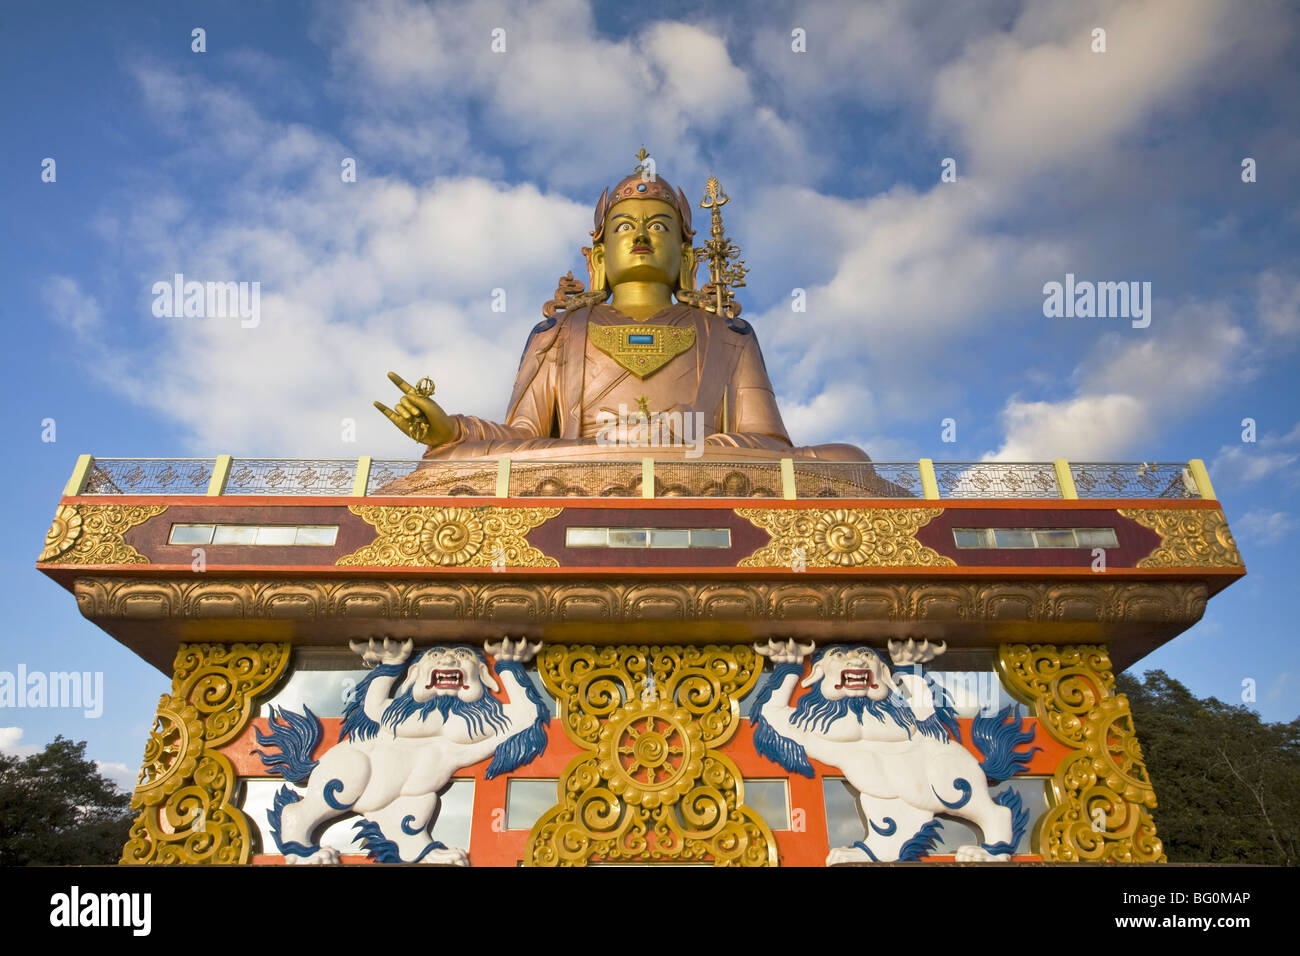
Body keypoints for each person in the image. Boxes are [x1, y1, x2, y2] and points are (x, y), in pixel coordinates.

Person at [375, 160, 868, 464]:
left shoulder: (729, 334)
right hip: (581, 467)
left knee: (845, 462)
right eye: (624, 228)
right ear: (597, 259)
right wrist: (451, 431)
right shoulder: (559, 333)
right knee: (449, 463)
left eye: (658, 226)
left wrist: (676, 450)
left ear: (688, 258)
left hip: (697, 469)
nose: (639, 236)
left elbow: (769, 444)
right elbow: (524, 435)